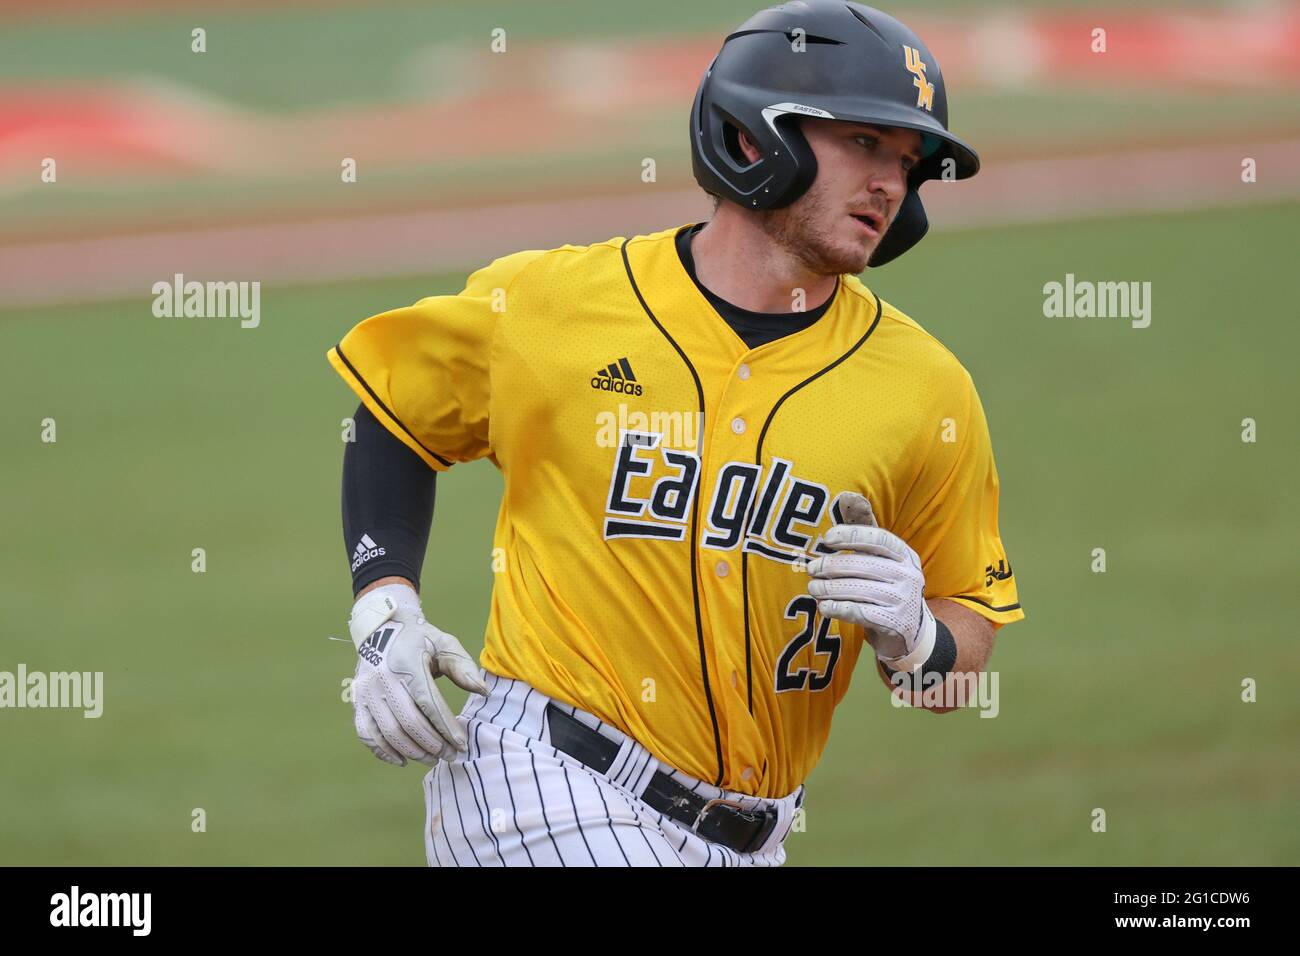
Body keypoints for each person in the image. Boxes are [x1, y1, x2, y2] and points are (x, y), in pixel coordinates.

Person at [328, 0, 1023, 867]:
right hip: (540, 785)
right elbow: (392, 415)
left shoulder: (926, 389)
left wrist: (915, 635)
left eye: (908, 162)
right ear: (753, 135)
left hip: (756, 837)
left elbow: (959, 659)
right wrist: (385, 610)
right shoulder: (553, 305)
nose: (890, 182)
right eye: (864, 143)